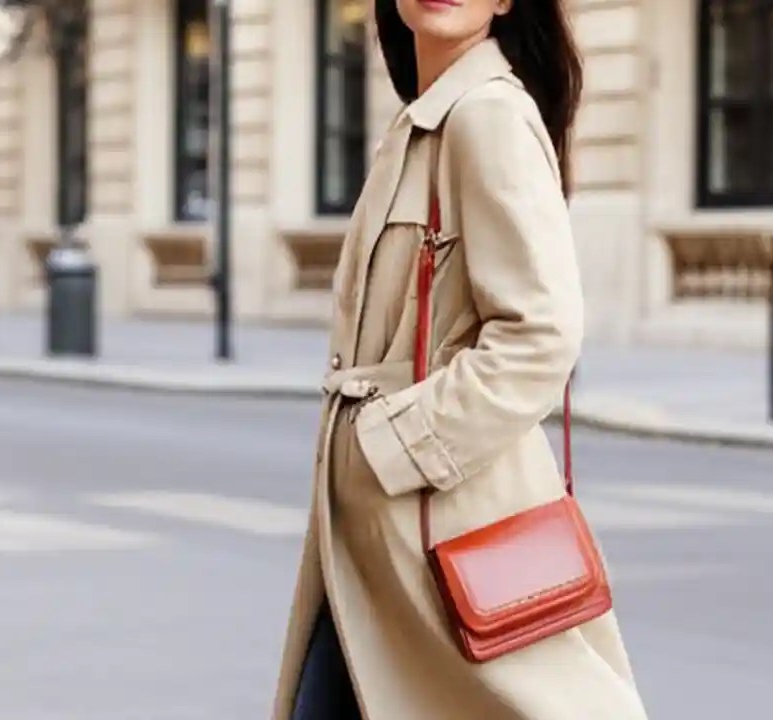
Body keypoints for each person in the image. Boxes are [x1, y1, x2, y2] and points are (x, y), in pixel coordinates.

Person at [271, 1, 649, 718]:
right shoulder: (424, 122)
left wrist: (396, 446)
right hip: (373, 542)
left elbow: (539, 334)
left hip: (437, 529)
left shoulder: (488, 116)